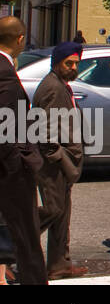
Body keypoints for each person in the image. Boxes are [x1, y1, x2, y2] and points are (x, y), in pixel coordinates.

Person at [33, 41, 88, 279]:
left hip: (62, 163)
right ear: (57, 62)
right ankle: (11, 246)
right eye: (69, 63)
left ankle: (59, 263)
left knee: (62, 213)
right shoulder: (52, 87)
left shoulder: (61, 85)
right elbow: (42, 130)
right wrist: (59, 158)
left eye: (76, 63)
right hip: (52, 163)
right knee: (53, 210)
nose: (73, 67)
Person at [0, 16, 47, 285]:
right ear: (20, 39)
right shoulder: (4, 73)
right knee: (26, 237)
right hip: (11, 172)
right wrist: (21, 163)